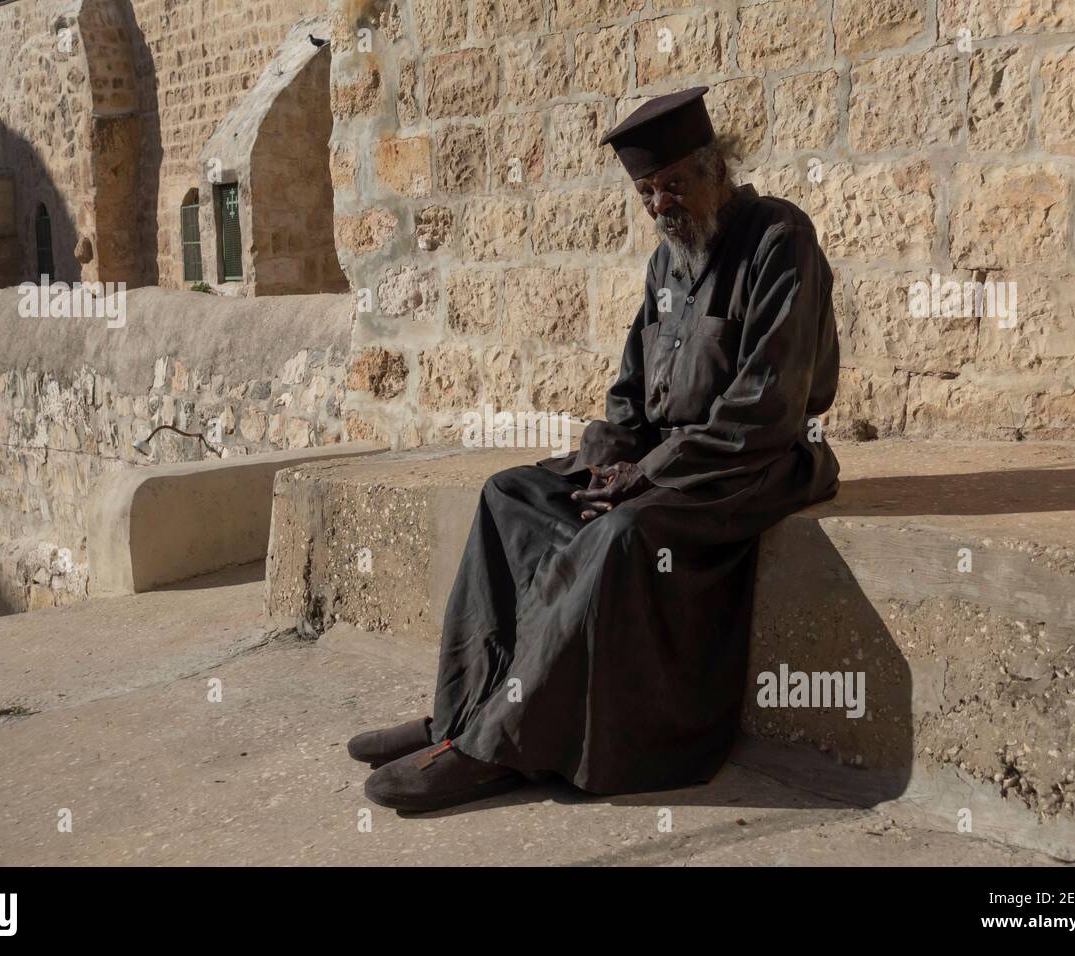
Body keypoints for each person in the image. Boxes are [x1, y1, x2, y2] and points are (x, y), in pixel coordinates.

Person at [348, 86, 841, 812]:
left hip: (751, 465)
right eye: (646, 191)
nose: (659, 205)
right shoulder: (665, 266)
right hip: (666, 463)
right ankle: (463, 712)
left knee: (617, 535)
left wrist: (648, 475)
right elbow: (629, 397)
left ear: (715, 169)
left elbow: (766, 406)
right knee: (511, 496)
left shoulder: (778, 240)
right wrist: (606, 461)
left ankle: (494, 746)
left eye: (672, 185)